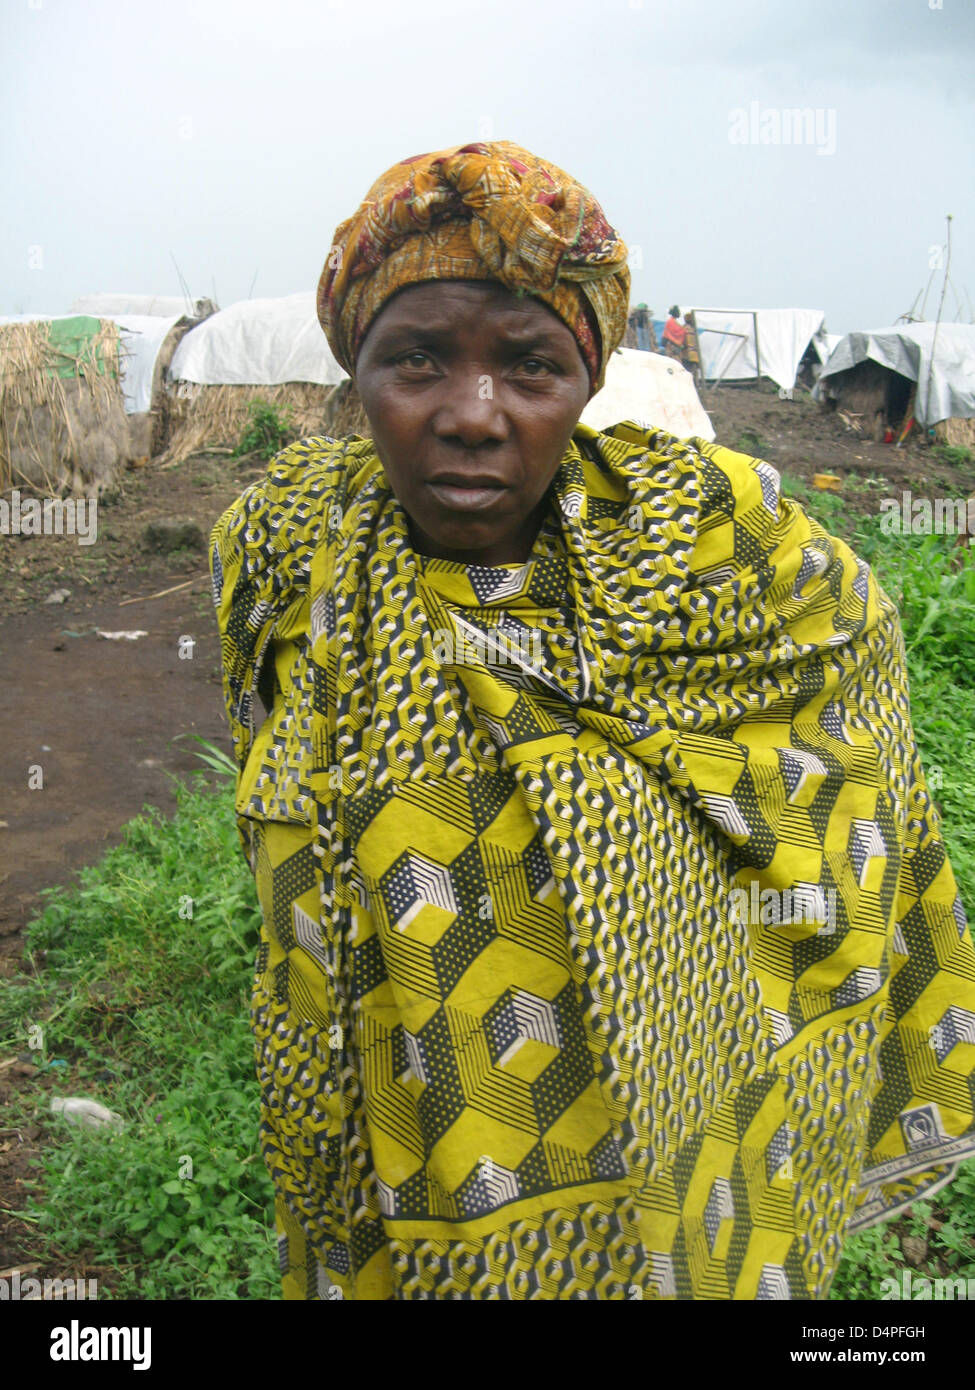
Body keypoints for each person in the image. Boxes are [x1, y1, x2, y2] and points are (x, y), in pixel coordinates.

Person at [210, 139, 975, 1301]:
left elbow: (848, 751)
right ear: (351, 369)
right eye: (414, 359)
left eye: (529, 367)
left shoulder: (730, 562)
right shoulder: (289, 563)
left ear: (588, 378)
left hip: (677, 1177)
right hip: (391, 1159)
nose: (474, 414)